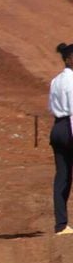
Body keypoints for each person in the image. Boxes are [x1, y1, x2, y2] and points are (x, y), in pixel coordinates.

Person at [51, 43, 73, 234]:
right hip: (70, 127)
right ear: (68, 59)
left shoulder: (56, 80)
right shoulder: (72, 81)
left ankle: (61, 225)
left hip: (57, 127)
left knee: (62, 177)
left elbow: (52, 105)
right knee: (64, 177)